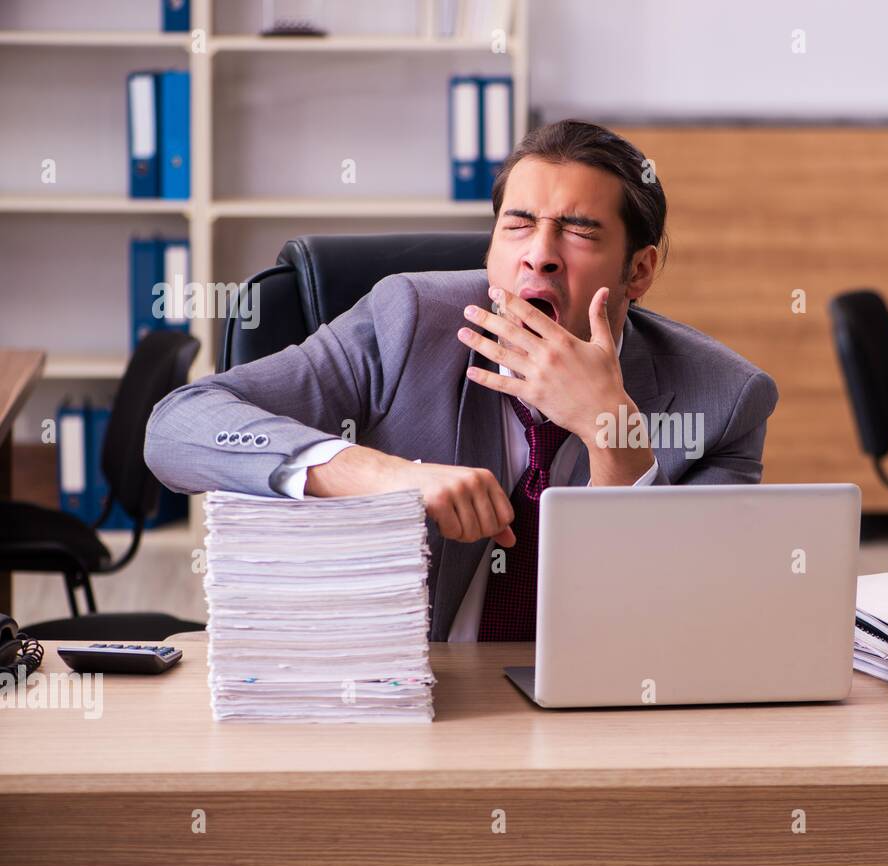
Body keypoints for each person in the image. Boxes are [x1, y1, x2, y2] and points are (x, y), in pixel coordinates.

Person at [144, 119, 779, 641]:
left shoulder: (725, 398)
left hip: (601, 722)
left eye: (580, 230)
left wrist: (608, 430)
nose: (540, 253)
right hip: (404, 692)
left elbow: (685, 629)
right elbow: (178, 427)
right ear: (491, 250)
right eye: (518, 225)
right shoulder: (407, 320)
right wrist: (380, 475)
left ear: (639, 271)